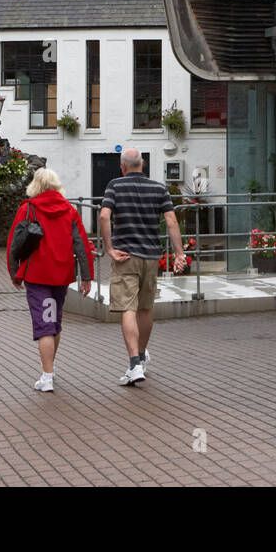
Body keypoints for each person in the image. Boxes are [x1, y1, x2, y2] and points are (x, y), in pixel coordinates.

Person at [100, 148, 184, 386]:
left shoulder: (114, 186)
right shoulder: (159, 188)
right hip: (150, 256)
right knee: (146, 308)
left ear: (122, 166)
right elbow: (171, 220)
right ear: (143, 164)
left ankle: (134, 364)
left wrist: (109, 248)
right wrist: (179, 253)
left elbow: (105, 216)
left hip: (126, 256)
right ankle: (141, 357)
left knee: (127, 308)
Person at [6, 168, 95, 393]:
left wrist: (14, 272)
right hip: (62, 274)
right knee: (54, 322)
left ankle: (47, 376)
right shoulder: (68, 209)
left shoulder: (28, 209)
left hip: (37, 274)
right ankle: (50, 369)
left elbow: (14, 243)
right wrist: (87, 276)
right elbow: (82, 244)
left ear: (35, 185)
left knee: (44, 325)